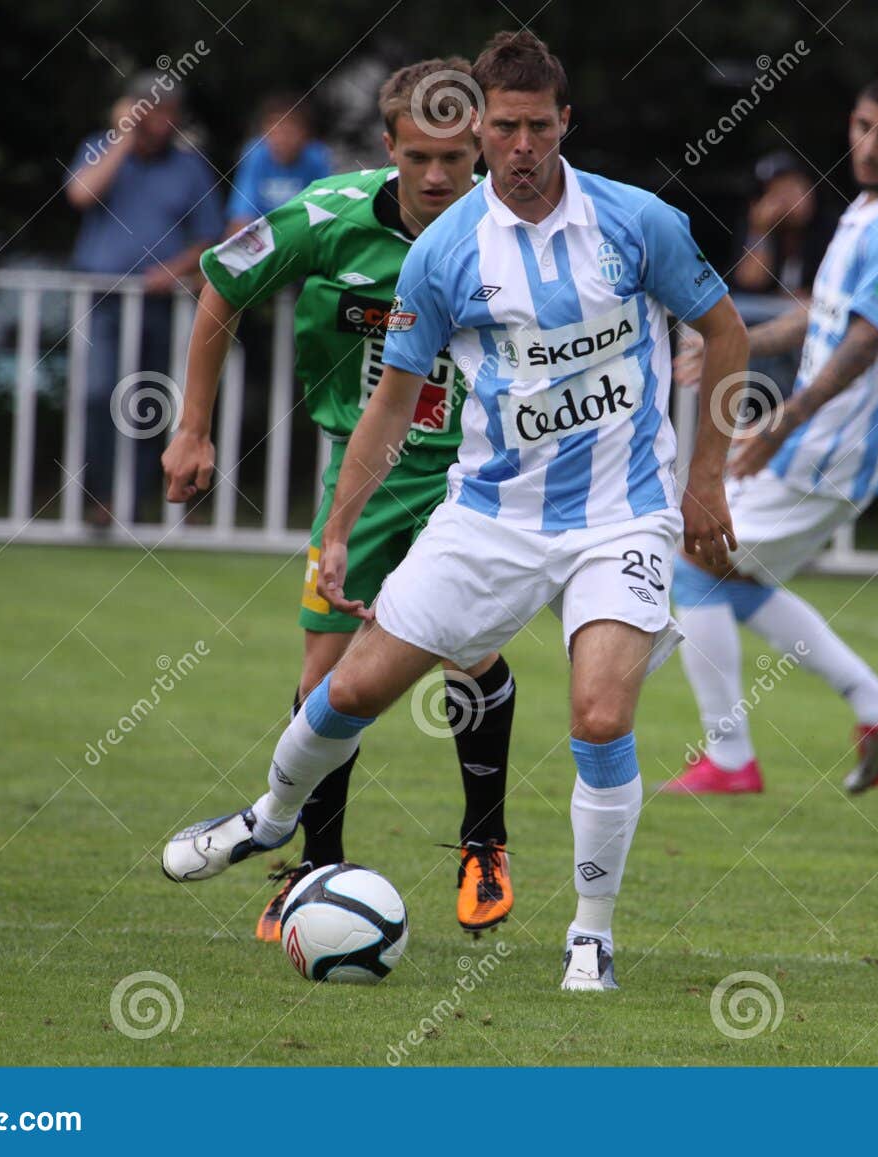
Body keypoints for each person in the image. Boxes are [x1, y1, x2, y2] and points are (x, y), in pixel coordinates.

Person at [162, 30, 746, 992]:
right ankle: (269, 820)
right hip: (487, 517)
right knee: (345, 694)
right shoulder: (440, 254)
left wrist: (707, 479)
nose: (521, 145)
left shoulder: (639, 223)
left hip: (621, 514)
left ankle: (590, 934)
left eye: (538, 127)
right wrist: (341, 528)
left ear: (567, 124)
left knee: (601, 715)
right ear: (482, 125)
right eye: (505, 127)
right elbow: (390, 404)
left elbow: (724, 332)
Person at [160, 60, 517, 939]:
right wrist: (193, 426)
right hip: (362, 474)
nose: (439, 177)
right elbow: (222, 284)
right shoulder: (325, 214)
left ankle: (484, 844)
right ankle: (314, 870)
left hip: (477, 478)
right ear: (388, 146)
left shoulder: (515, 231)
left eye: (457, 157)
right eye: (420, 156)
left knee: (462, 656)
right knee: (324, 680)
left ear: (482, 149)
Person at [662, 70, 878, 796]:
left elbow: (863, 343)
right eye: (863, 127)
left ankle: (730, 760)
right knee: (731, 574)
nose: (871, 145)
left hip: (836, 446)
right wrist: (741, 342)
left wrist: (783, 424)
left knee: (695, 560)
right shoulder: (868, 211)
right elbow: (825, 312)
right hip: (822, 442)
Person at [65, 72, 224, 527]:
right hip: (102, 300)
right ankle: (103, 499)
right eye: (151, 111)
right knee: (98, 395)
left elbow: (208, 237)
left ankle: (140, 504)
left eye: (169, 112)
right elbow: (81, 193)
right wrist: (122, 137)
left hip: (160, 304)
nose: (160, 122)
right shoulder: (102, 147)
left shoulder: (190, 166)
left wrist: (170, 271)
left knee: (149, 403)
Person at [223, 93, 335, 236]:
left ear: (305, 133)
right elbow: (241, 216)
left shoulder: (317, 157)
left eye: (289, 131)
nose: (282, 139)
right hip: (263, 241)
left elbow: (326, 213)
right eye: (275, 130)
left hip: (304, 237)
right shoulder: (255, 155)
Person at [729, 152, 827, 297]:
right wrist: (760, 232)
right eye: (779, 191)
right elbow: (751, 283)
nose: (794, 199)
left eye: (797, 187)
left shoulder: (832, 228)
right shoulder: (758, 229)